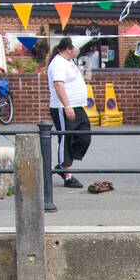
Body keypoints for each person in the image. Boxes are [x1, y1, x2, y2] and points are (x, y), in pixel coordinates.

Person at [47, 37, 90, 189]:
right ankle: (67, 174)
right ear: (68, 49)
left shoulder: (69, 62)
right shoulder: (58, 63)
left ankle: (63, 164)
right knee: (65, 138)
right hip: (64, 107)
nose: (78, 51)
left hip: (78, 106)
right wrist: (67, 106)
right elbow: (58, 85)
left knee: (84, 136)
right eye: (76, 49)